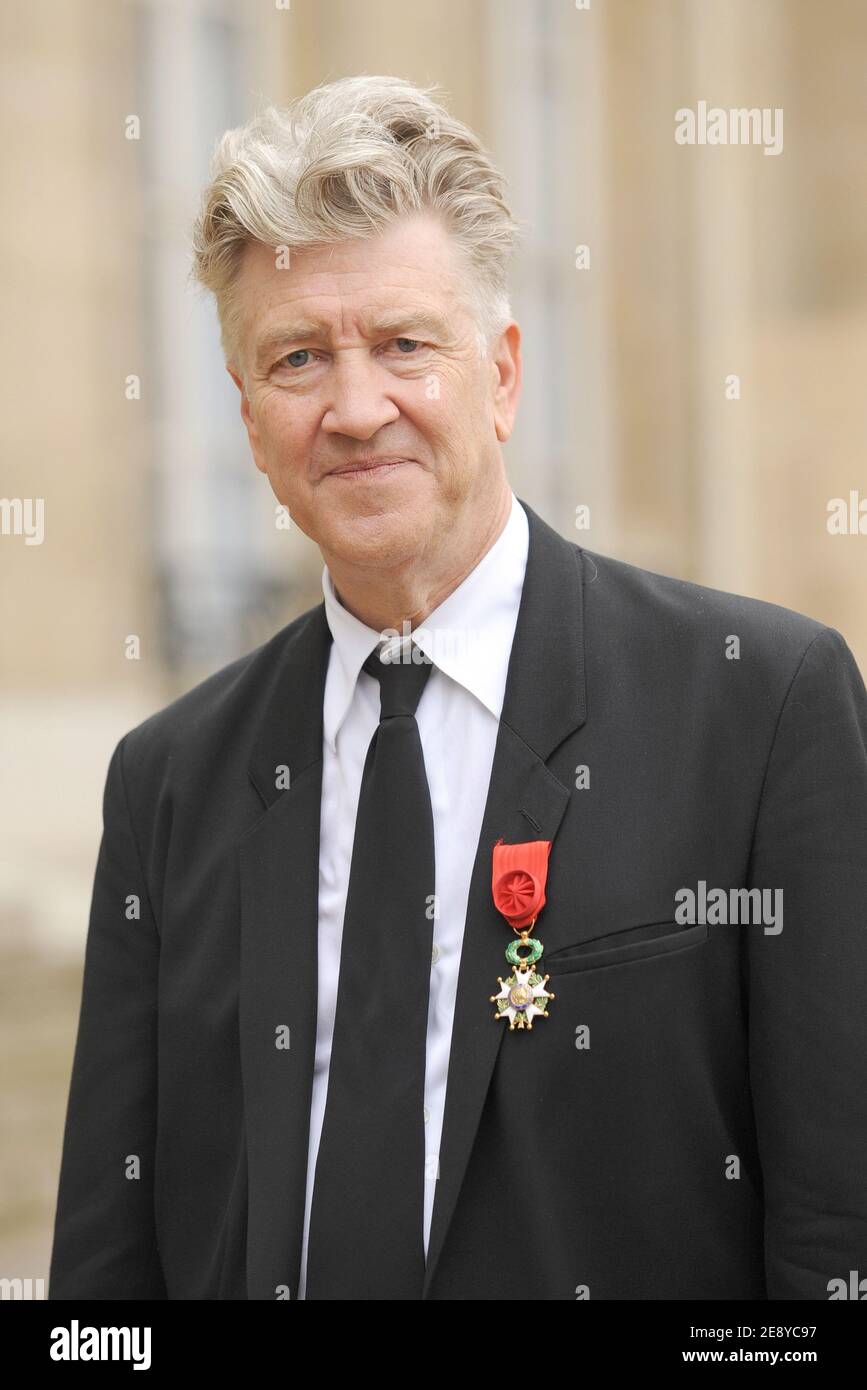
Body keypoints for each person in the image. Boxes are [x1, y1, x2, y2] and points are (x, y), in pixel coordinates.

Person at [49, 74, 867, 1301]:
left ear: (502, 373)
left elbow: (833, 1220)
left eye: (404, 345)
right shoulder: (170, 780)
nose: (355, 406)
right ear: (249, 415)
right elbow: (105, 1279)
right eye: (299, 358)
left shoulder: (760, 711)